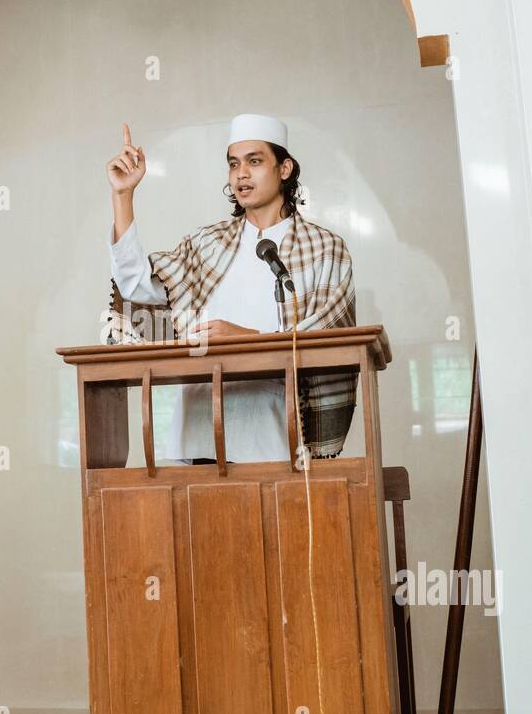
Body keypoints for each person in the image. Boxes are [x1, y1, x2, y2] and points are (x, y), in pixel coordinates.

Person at [104, 113, 357, 463]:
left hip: (273, 438)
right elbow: (136, 284)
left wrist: (248, 339)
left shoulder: (325, 248)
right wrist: (123, 196)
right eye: (234, 164)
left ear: (284, 169)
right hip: (198, 432)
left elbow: (331, 338)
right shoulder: (207, 243)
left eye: (254, 161)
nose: (241, 174)